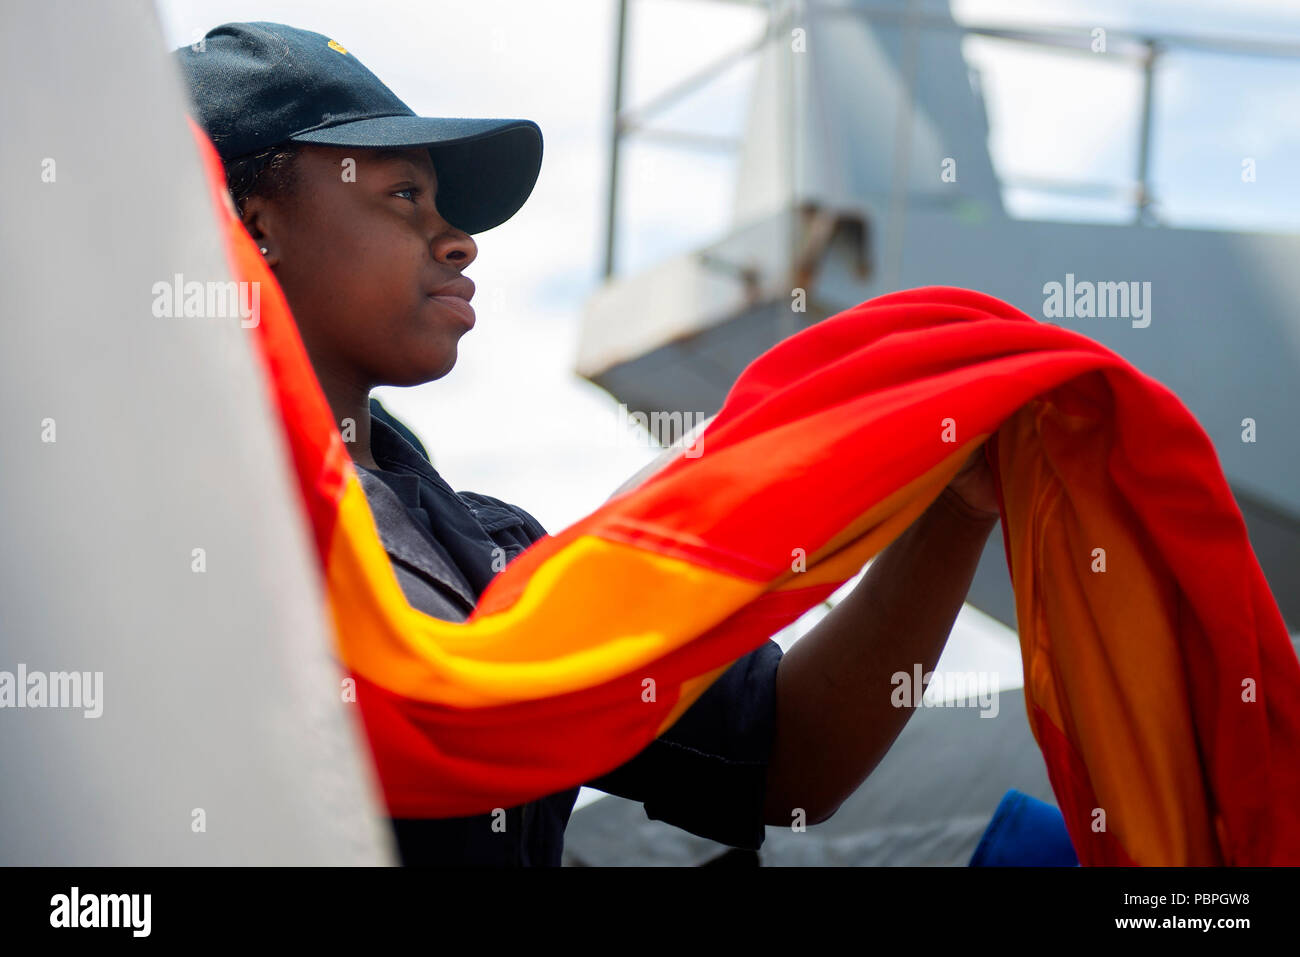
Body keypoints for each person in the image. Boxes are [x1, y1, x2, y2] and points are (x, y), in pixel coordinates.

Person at [174, 21, 1001, 867]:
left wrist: (957, 515)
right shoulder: (163, 515)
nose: (460, 239)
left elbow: (784, 762)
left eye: (443, 206)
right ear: (252, 225)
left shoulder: (497, 547)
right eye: (402, 196)